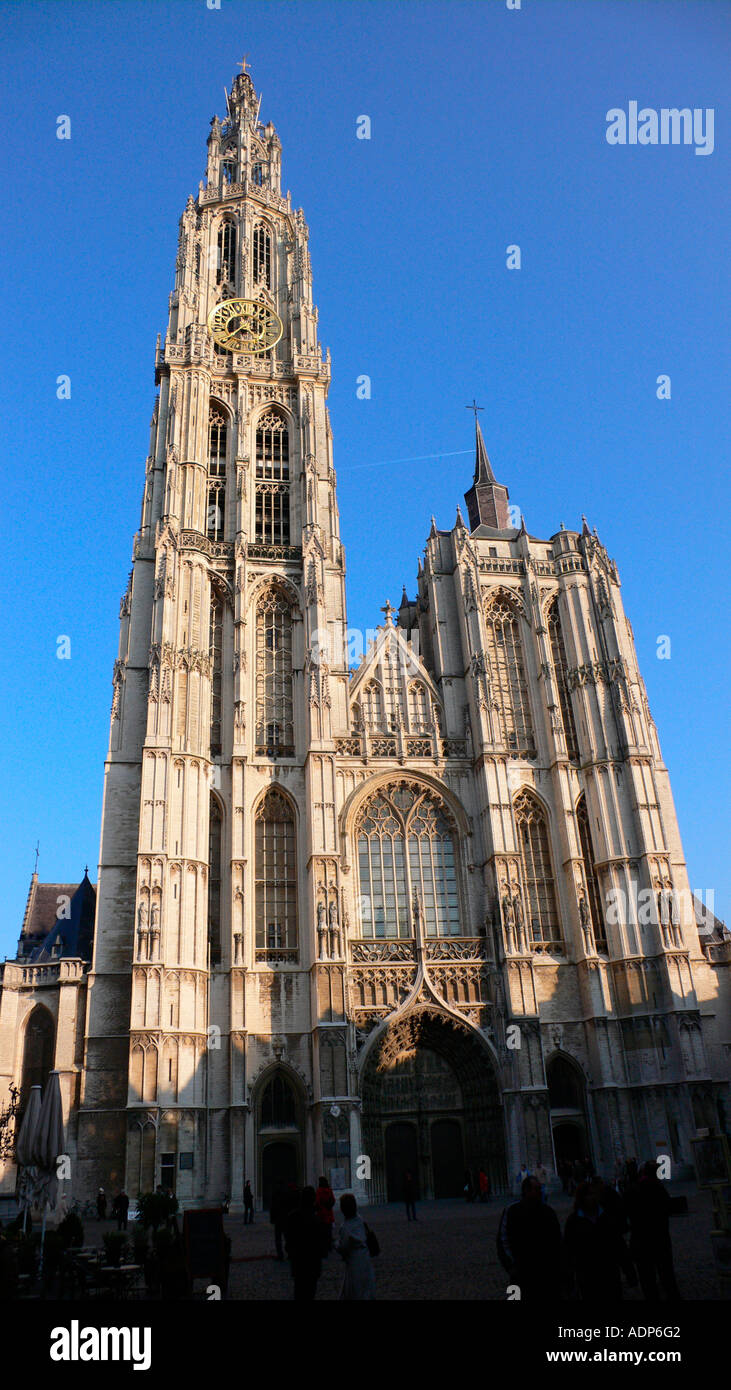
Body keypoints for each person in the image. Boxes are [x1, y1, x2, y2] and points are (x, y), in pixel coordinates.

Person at [563, 1179, 636, 1301]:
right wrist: (569, 1280)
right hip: (588, 1275)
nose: (592, 1198)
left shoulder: (606, 1217)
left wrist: (629, 1271)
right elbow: (569, 1252)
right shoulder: (573, 1222)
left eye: (593, 1194)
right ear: (581, 1198)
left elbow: (619, 1245)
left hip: (609, 1272)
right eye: (588, 1195)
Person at [497, 1176, 563, 1302]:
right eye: (537, 1189)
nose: (540, 1192)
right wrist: (511, 1266)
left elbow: (557, 1240)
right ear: (526, 1191)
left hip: (546, 1272)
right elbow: (503, 1240)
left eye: (540, 1188)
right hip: (521, 1271)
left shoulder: (548, 1212)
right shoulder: (512, 1211)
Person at [625, 1161, 681, 1301]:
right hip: (659, 1239)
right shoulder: (657, 1187)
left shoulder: (631, 1190)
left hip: (640, 1240)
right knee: (667, 1275)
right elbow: (668, 1208)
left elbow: (625, 1214)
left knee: (647, 1279)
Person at [285, 1186, 323, 1301]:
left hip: (298, 1262)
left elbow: (288, 1240)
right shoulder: (316, 1219)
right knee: (310, 1292)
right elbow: (322, 1245)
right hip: (312, 1264)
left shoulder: (292, 1216)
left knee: (299, 1290)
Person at [336, 1193, 376, 1300]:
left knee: (355, 1287)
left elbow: (343, 1247)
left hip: (354, 1259)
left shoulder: (345, 1227)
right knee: (366, 1284)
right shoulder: (360, 1220)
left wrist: (335, 1245)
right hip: (365, 1256)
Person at [314, 1175, 336, 1251]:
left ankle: (324, 1246)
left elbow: (317, 1202)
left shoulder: (319, 1191)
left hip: (322, 1214)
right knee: (329, 1231)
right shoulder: (329, 1190)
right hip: (329, 1213)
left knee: (322, 1231)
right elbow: (333, 1200)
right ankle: (329, 1245)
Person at [270, 1179, 287, 1260]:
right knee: (287, 1236)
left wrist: (272, 1218)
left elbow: (273, 1207)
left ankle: (280, 1254)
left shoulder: (275, 1193)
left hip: (278, 1218)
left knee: (278, 1238)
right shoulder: (287, 1193)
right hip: (286, 1218)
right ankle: (290, 1253)